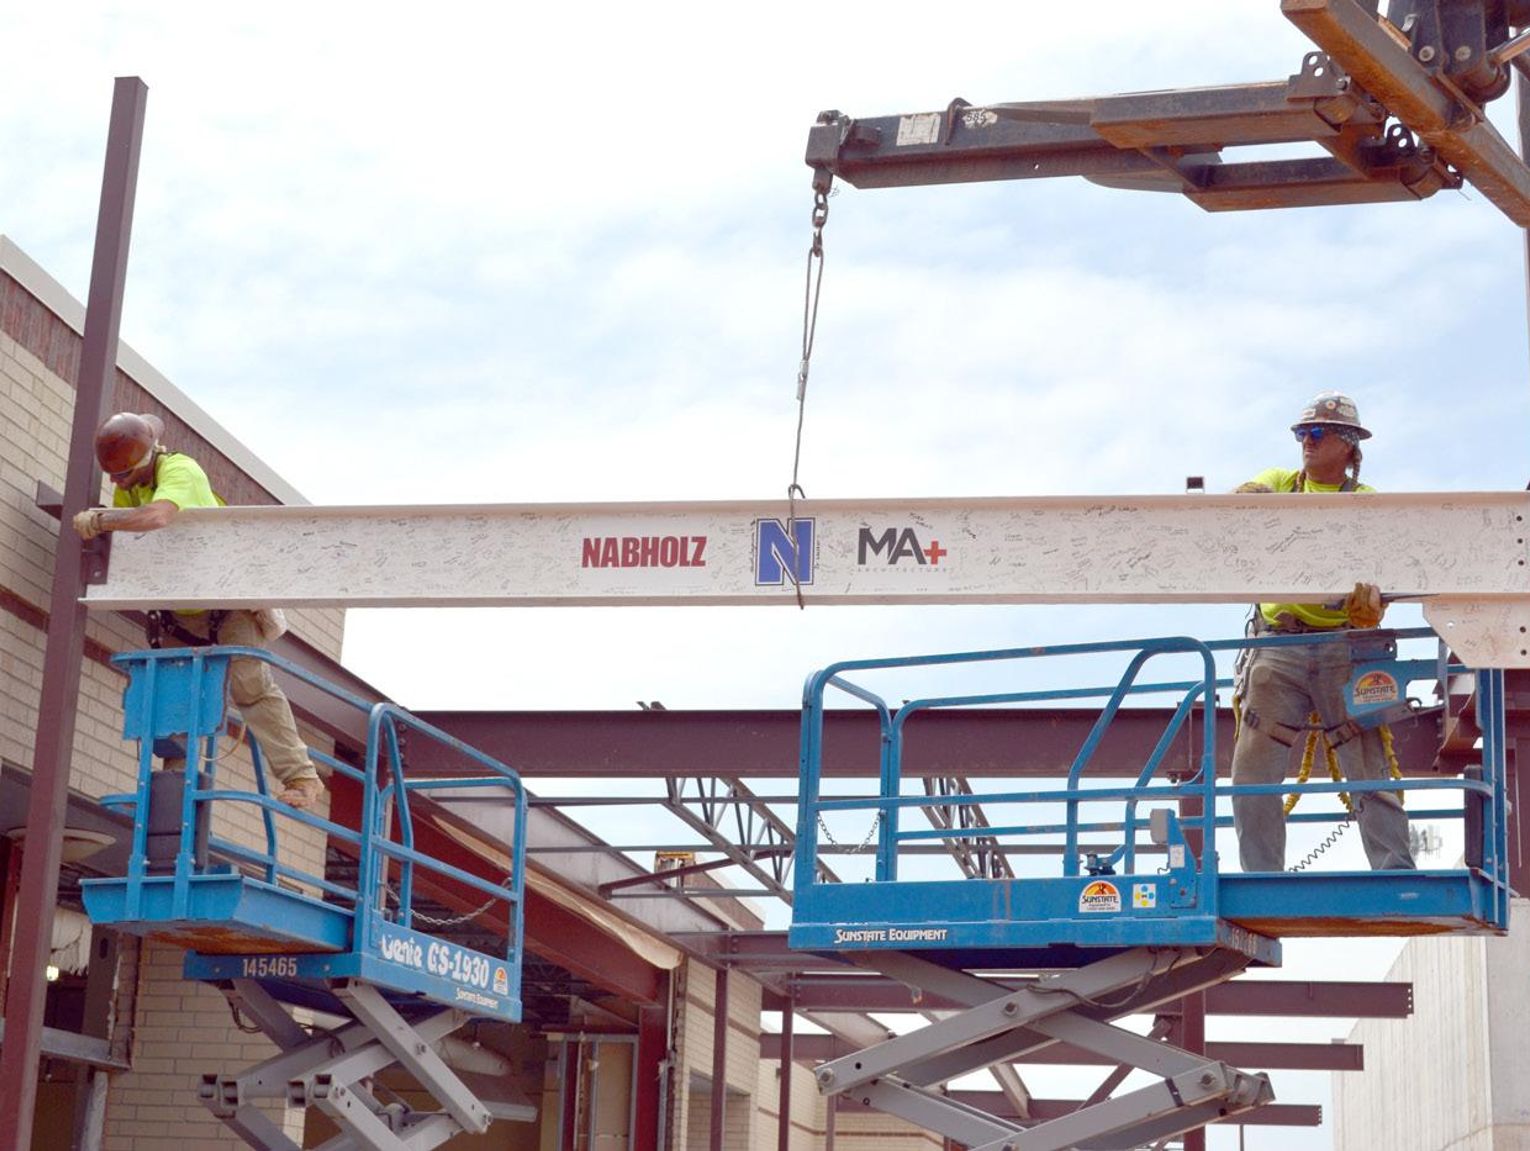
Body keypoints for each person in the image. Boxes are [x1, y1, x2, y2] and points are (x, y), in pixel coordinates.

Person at [72, 412, 325, 811]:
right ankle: (173, 784)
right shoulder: (132, 488)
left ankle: (302, 778)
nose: (116, 484)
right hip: (181, 610)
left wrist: (102, 520)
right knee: (174, 690)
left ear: (143, 463)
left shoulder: (181, 471)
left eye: (121, 476)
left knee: (250, 686)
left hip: (226, 603)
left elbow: (157, 517)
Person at [1229, 391, 1414, 872]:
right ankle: (1261, 877)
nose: (1305, 443)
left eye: (1316, 434)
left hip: (1343, 648)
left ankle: (1395, 869)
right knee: (1253, 769)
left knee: (1368, 760)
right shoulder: (1280, 483)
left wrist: (1376, 604)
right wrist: (1249, 503)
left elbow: (1395, 569)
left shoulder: (1367, 507)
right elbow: (1238, 506)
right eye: (1301, 434)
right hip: (1277, 645)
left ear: (1349, 446)